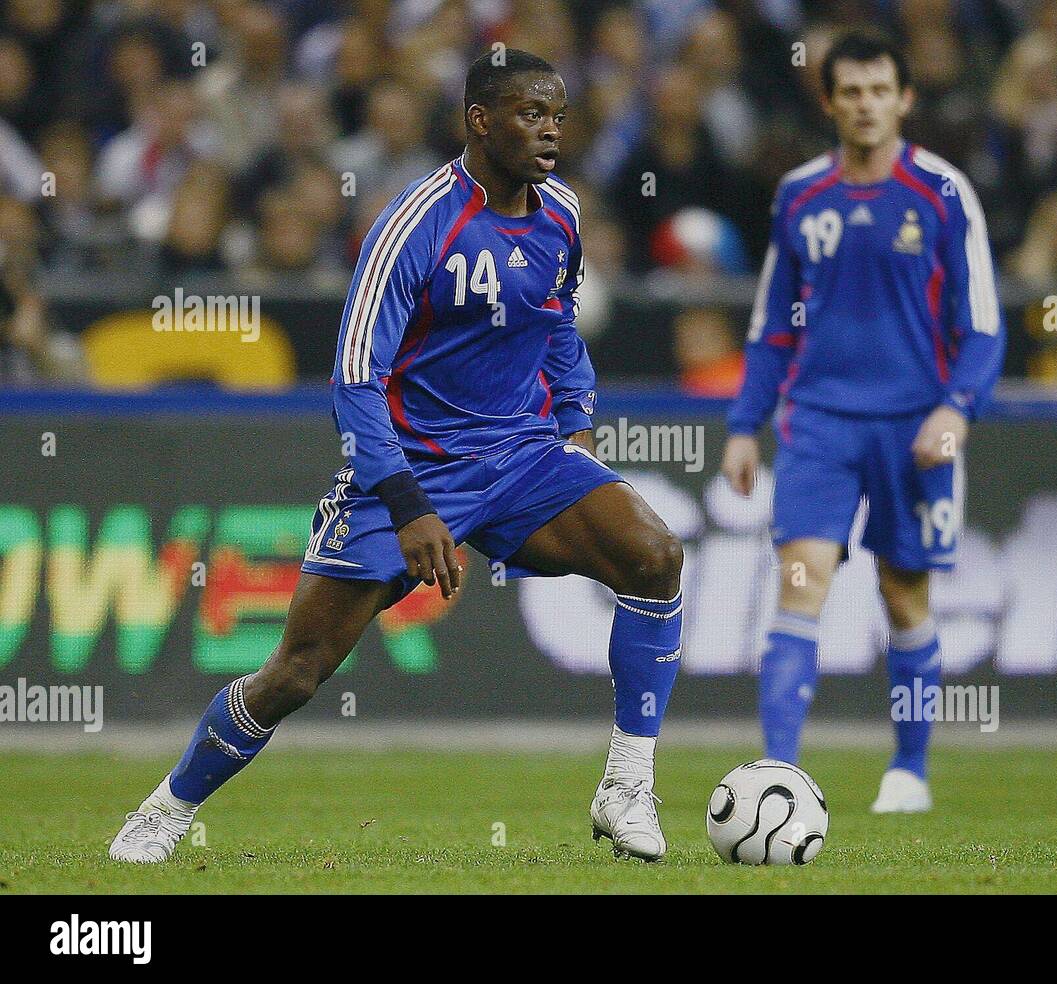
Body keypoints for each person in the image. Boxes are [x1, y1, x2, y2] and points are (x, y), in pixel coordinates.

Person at [109, 49, 684, 864]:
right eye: (530, 113)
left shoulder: (562, 212)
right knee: (298, 671)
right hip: (410, 472)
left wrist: (578, 429)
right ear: (480, 121)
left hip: (521, 455)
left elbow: (556, 325)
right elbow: (353, 379)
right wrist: (410, 504)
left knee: (656, 556)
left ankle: (626, 787)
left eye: (558, 114)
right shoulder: (415, 222)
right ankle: (165, 810)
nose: (551, 130)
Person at [721, 32, 1005, 813]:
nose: (866, 104)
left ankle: (908, 770)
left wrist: (956, 407)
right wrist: (746, 423)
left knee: (904, 595)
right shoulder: (800, 197)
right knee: (799, 581)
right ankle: (779, 774)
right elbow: (773, 323)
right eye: (851, 92)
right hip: (818, 423)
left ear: (904, 99)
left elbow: (983, 325)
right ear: (830, 102)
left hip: (915, 426)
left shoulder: (944, 193)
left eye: (880, 90)